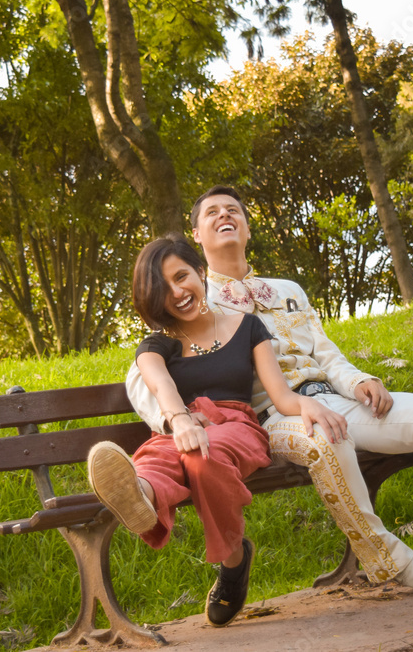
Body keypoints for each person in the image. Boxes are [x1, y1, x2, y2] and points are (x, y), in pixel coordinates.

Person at [126, 185, 413, 593]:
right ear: (198, 240)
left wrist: (359, 380)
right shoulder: (193, 300)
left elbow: (325, 352)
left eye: (234, 210)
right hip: (273, 418)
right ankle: (388, 560)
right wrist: (178, 419)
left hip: (333, 399)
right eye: (212, 214)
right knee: (327, 437)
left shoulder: (288, 290)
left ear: (246, 228)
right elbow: (142, 375)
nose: (225, 216)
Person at [88, 234, 348, 627]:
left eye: (182, 277)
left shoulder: (248, 327)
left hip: (237, 424)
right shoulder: (157, 345)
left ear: (201, 273)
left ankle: (232, 560)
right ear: (152, 300)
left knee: (203, 456)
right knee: (160, 457)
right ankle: (138, 494)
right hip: (181, 427)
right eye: (163, 288)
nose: (177, 292)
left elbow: (279, 395)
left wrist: (306, 402)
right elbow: (160, 385)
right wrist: (181, 420)